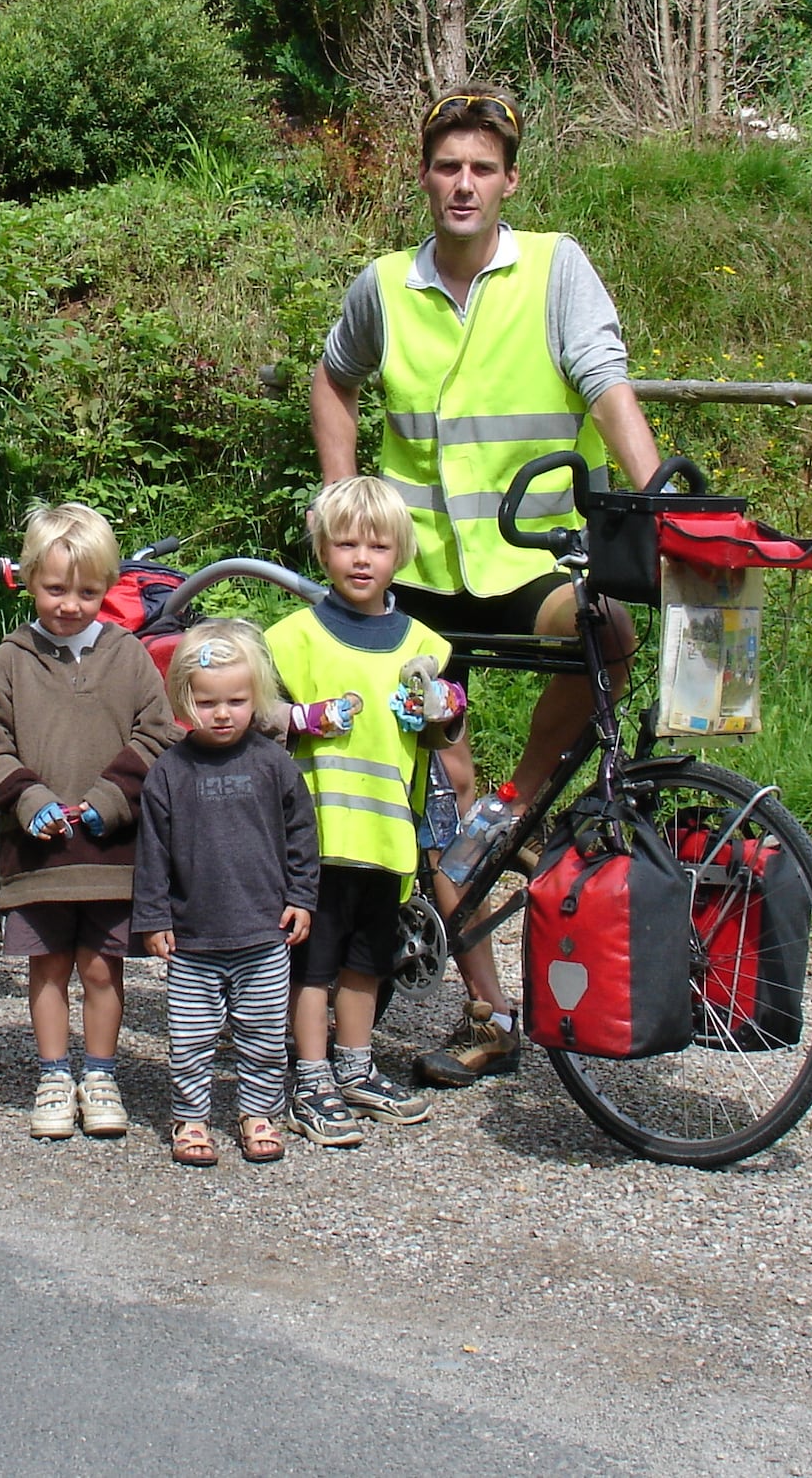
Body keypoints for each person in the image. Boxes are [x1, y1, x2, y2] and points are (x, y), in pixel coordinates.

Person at [308, 85, 663, 1090]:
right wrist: (343, 505)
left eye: (480, 169)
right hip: (414, 579)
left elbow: (605, 383)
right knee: (436, 784)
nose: (462, 184)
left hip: (520, 561)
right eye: (445, 167)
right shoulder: (383, 284)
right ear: (422, 177)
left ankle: (513, 807)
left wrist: (657, 506)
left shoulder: (553, 267)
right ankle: (487, 1009)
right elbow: (330, 379)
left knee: (606, 634)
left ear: (507, 180)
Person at [265, 476, 463, 1147]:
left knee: (366, 962)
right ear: (322, 548)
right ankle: (310, 1077)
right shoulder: (292, 638)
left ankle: (354, 1065)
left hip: (387, 837)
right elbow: (255, 719)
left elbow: (436, 735)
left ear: (400, 554)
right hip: (314, 840)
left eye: (377, 545)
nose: (360, 557)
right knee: (312, 965)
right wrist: (302, 717)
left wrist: (446, 714)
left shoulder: (424, 646)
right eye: (345, 542)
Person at [0, 503, 178, 1142]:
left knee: (101, 968)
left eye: (88, 591)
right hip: (37, 857)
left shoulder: (129, 656)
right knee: (48, 967)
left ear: (109, 587)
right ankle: (54, 1075)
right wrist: (28, 801)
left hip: (111, 851)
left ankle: (100, 1073)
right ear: (30, 580)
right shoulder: (7, 661)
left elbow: (158, 733)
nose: (70, 604)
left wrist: (109, 798)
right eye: (56, 588)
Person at [133, 620, 317, 1168]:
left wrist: (302, 896)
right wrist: (153, 916)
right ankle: (191, 1118)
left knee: (262, 1033)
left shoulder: (274, 763)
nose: (222, 713)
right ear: (185, 700)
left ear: (256, 698)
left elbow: (304, 836)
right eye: (208, 701)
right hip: (193, 938)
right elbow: (153, 851)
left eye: (237, 700)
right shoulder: (170, 770)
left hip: (263, 932)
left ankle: (259, 1111)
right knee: (189, 1039)